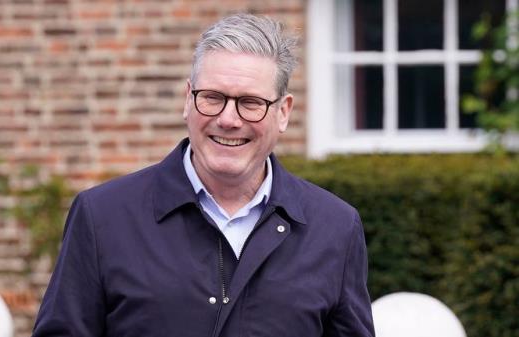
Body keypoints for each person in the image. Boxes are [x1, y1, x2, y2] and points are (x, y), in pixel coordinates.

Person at [32, 13, 375, 337]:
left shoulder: (336, 228)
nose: (228, 119)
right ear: (187, 99)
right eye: (212, 98)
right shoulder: (102, 216)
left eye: (251, 102)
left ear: (282, 113)